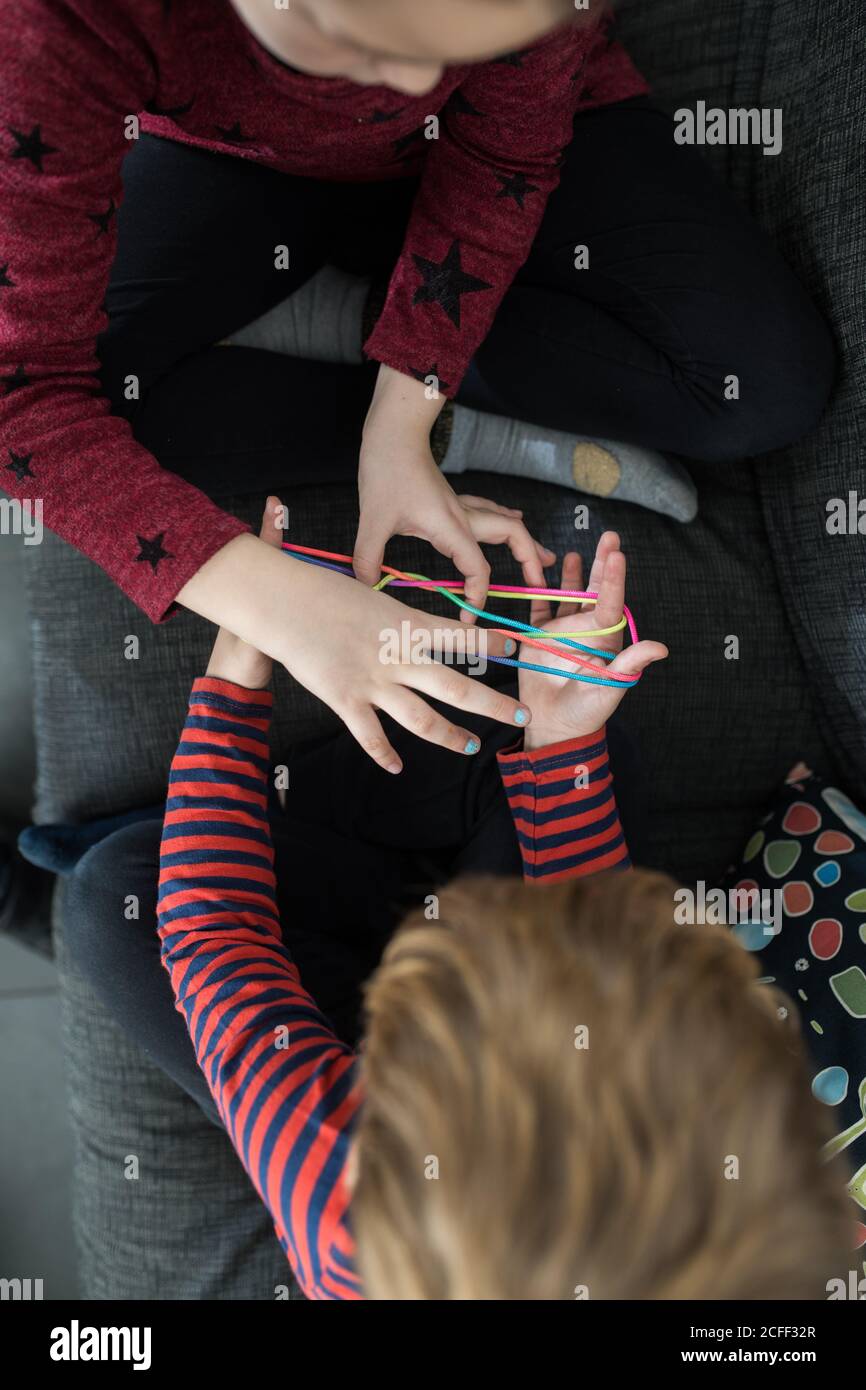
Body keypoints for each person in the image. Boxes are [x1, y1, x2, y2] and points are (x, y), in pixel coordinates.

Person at [0, 0, 836, 770]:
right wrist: (276, 599)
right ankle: (439, 403)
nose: (410, 85)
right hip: (235, 163)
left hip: (513, 151)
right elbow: (20, 396)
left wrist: (402, 419)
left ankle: (368, 334)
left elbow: (503, 148)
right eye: (364, 42)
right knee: (114, 415)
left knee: (764, 390)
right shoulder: (53, 26)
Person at [64, 504, 852, 1299]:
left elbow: (215, 938)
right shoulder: (690, 1150)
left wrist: (243, 654)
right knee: (569, 738)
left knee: (108, 893)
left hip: (333, 1035)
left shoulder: (339, 1195)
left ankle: (126, 853)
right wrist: (559, 739)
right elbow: (596, 936)